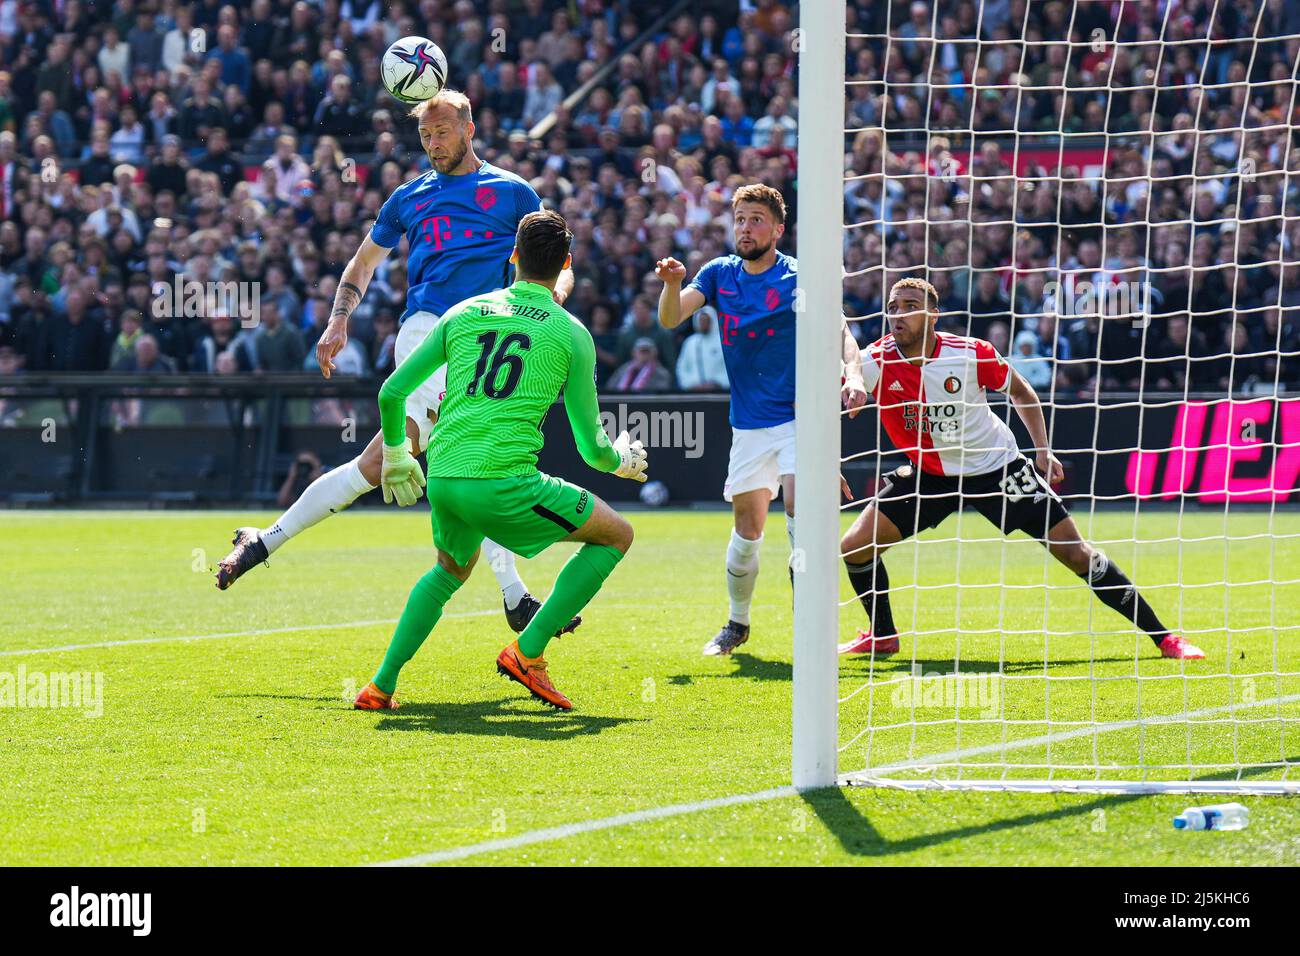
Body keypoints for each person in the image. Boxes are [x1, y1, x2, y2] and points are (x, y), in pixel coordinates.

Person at [216, 89, 579, 640]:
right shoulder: (409, 197)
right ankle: (514, 595)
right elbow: (360, 266)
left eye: (443, 133)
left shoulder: (512, 192)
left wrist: (550, 302)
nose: (434, 144)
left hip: (490, 338)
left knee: (397, 464)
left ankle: (265, 540)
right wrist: (339, 321)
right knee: (457, 457)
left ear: (469, 129)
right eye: (425, 136)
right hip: (429, 334)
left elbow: (553, 266)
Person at [353, 210, 648, 711]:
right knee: (617, 534)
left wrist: (399, 454)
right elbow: (591, 450)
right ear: (566, 265)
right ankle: (527, 653)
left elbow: (392, 390)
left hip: (444, 477)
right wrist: (621, 460)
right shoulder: (573, 334)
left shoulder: (465, 312)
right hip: (502, 484)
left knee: (448, 571)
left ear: (512, 257)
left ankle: (379, 686)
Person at [837, 277, 1203, 660]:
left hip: (997, 468)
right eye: (893, 307)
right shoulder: (874, 361)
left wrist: (1043, 452)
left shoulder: (969, 353)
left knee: (1076, 554)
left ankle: (1165, 639)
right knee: (855, 549)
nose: (898, 314)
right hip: (931, 476)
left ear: (933, 315)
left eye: (910, 305)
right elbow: (833, 398)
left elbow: (1021, 391)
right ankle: (883, 636)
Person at [655, 183, 866, 656]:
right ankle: (738, 622)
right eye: (740, 219)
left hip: (800, 419)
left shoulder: (800, 276)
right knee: (747, 533)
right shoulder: (717, 274)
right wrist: (671, 285)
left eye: (755, 220)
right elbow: (670, 319)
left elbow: (841, 332)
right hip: (749, 424)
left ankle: (811, 631)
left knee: (799, 513)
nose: (745, 228)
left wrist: (853, 375)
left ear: (777, 228)